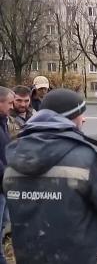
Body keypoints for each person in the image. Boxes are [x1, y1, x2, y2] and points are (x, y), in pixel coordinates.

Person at [3, 89, 97, 264]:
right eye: (80, 114)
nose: (84, 119)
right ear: (70, 118)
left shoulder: (14, 157)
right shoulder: (86, 158)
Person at [0, 87, 14, 264]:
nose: (12, 106)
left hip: (3, 186)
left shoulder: (3, 121)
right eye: (9, 103)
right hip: (2, 182)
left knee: (4, 226)